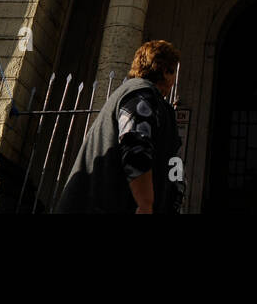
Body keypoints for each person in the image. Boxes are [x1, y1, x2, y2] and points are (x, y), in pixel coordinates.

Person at [56, 40, 183, 214]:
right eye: (173, 71)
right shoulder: (141, 93)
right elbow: (135, 143)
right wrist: (145, 204)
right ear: (166, 71)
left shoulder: (140, 96)